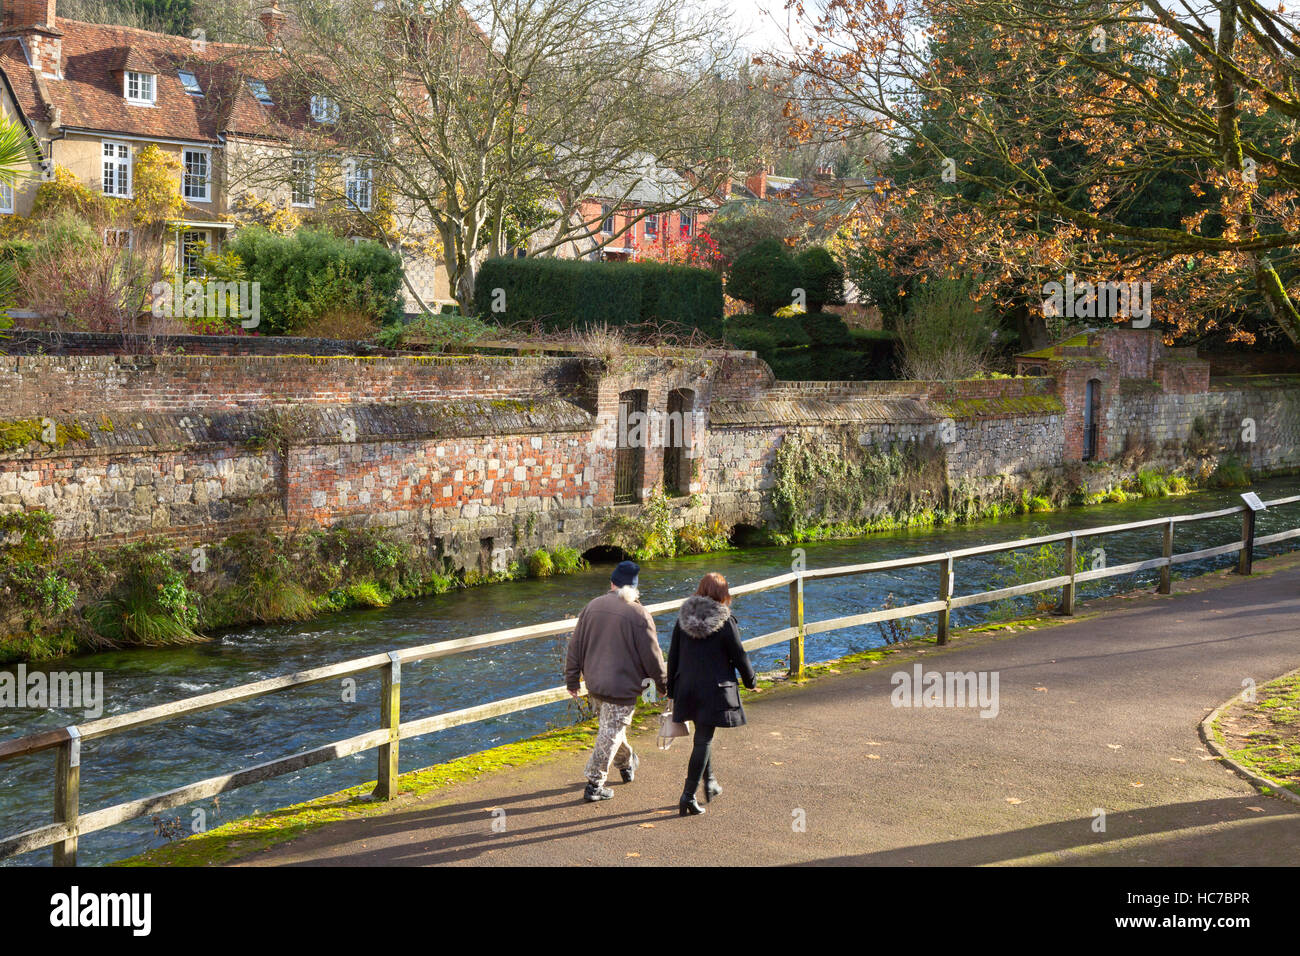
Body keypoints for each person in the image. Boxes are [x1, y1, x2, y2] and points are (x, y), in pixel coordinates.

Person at [565, 560, 668, 802]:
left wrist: (572, 680)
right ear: (635, 588)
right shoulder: (639, 614)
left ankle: (626, 762)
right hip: (622, 687)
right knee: (611, 731)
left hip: (595, 683)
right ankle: (594, 783)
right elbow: (653, 657)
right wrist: (663, 687)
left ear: (612, 583)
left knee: (611, 729)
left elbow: (575, 646)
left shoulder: (592, 607)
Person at [667, 572, 757, 816]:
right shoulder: (725, 621)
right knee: (704, 739)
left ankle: (710, 782)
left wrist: (671, 690)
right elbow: (739, 654)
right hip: (713, 690)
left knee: (701, 737)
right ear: (722, 594)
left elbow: (673, 655)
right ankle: (687, 796)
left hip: (686, 687)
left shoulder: (682, 619)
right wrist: (751, 681)